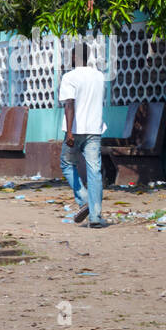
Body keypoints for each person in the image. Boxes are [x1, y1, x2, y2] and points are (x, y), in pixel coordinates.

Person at [60, 43, 107, 228]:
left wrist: (69, 131)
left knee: (67, 163)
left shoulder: (69, 77)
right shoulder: (99, 76)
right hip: (94, 129)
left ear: (74, 57)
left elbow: (69, 104)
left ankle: (84, 200)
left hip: (75, 130)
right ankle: (95, 217)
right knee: (94, 171)